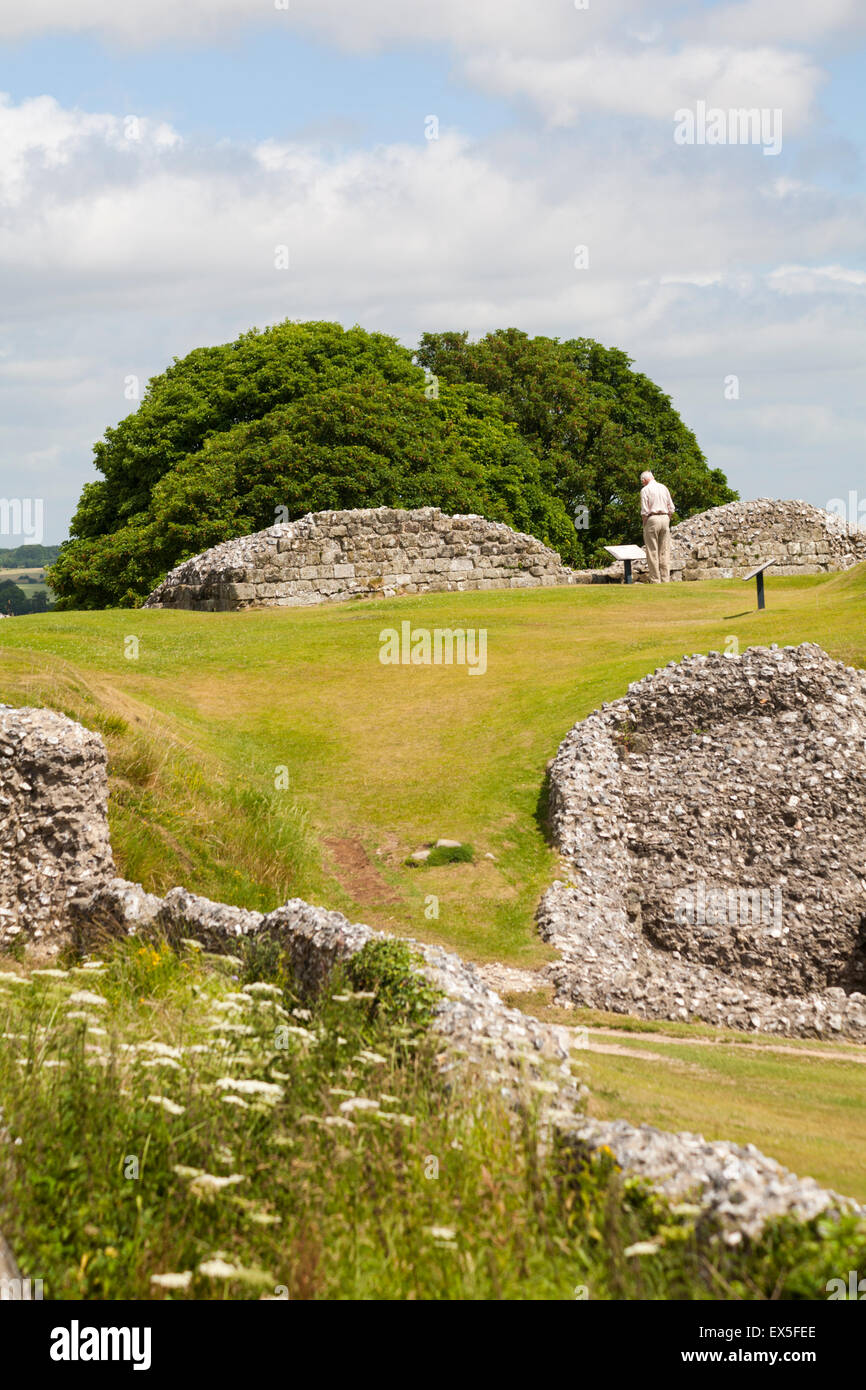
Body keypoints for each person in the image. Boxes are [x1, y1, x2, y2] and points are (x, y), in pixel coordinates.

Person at [640, 470, 675, 583]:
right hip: (665, 518)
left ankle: (655, 580)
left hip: (652, 518)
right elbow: (671, 507)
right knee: (664, 550)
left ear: (644, 480)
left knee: (652, 551)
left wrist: (645, 524)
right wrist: (667, 518)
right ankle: (666, 579)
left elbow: (645, 511)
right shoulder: (663, 487)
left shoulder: (645, 490)